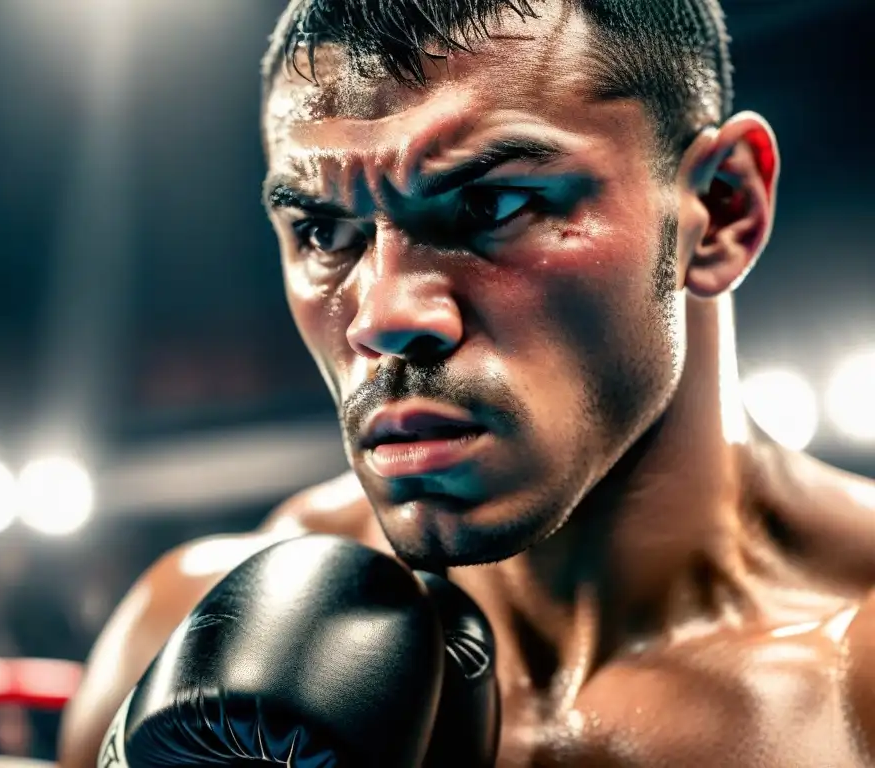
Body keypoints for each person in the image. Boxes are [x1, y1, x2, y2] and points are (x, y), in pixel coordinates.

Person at [59, 1, 875, 765]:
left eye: (494, 203)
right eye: (323, 231)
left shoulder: (855, 670)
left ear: (722, 208)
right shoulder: (184, 637)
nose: (381, 314)